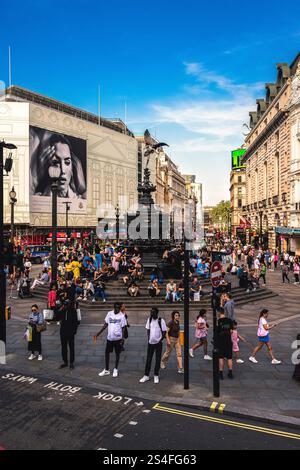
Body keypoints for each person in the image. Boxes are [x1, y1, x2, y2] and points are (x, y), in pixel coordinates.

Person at [30, 130, 86, 198]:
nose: (62, 170)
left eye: (67, 162)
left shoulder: (81, 199)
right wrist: (36, 175)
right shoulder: (37, 198)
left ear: (72, 166)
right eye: (56, 162)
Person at [96, 302, 127, 378]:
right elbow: (106, 324)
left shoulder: (122, 316)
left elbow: (123, 328)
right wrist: (98, 333)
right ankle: (106, 370)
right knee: (107, 353)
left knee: (117, 354)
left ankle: (115, 369)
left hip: (118, 339)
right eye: (115, 307)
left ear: (120, 308)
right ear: (113, 307)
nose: (117, 309)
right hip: (109, 338)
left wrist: (122, 339)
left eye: (118, 308)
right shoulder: (109, 313)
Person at [140, 308, 167, 384]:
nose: (151, 314)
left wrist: (160, 340)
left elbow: (164, 331)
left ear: (157, 313)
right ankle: (146, 375)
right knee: (148, 359)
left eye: (153, 313)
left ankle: (156, 375)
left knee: (158, 359)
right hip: (150, 343)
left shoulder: (161, 320)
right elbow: (148, 329)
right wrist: (149, 338)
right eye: (151, 312)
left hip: (158, 343)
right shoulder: (149, 319)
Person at [59, 300, 80, 370]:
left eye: (66, 305)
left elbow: (76, 322)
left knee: (71, 348)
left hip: (70, 333)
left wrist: (74, 331)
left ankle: (71, 363)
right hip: (63, 332)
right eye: (64, 305)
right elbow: (56, 317)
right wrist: (60, 309)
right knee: (63, 348)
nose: (65, 306)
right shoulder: (62, 310)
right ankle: (65, 362)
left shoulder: (73, 311)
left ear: (69, 305)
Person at [217, 309, 234, 380]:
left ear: (219, 313)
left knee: (221, 357)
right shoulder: (229, 320)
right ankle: (230, 373)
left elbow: (217, 332)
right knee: (229, 358)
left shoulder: (218, 321)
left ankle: (220, 373)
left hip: (221, 341)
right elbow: (231, 331)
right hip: (228, 341)